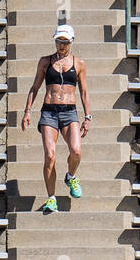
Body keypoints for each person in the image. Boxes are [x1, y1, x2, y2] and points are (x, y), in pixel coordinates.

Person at [20, 24, 91, 214]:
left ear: (72, 42)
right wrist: (27, 111)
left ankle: (71, 176)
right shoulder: (46, 61)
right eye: (59, 41)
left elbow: (84, 91)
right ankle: (51, 198)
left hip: (69, 111)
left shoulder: (79, 63)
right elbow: (35, 87)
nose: (62, 46)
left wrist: (87, 117)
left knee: (76, 151)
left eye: (65, 42)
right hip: (49, 111)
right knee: (50, 155)